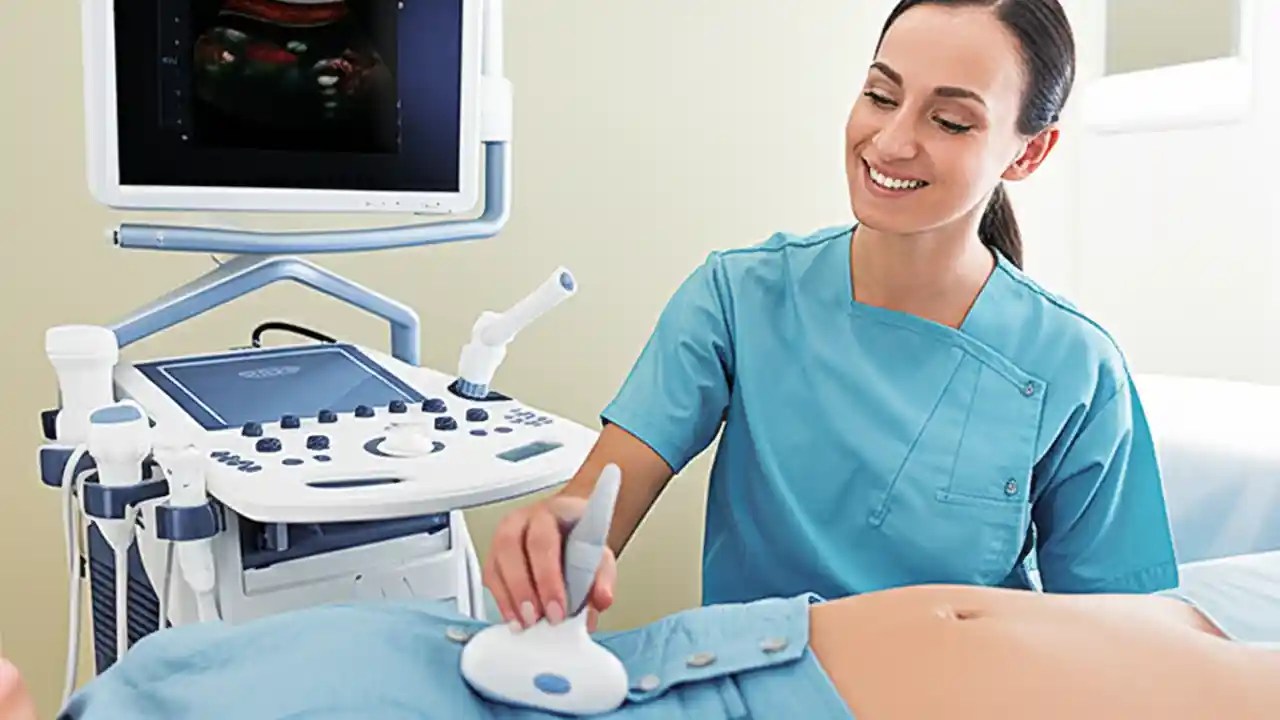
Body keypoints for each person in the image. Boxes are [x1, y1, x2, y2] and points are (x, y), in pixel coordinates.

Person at [483, 0, 1181, 634]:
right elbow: (599, 502)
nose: (891, 142)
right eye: (880, 95)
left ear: (1029, 151)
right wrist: (558, 538)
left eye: (949, 120)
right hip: (756, 689)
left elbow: (1121, 636)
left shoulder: (1075, 367)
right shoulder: (738, 298)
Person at [45, 563, 1280, 719]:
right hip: (759, 703)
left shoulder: (147, 680)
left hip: (737, 643)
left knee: (1199, 613)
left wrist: (550, 581)